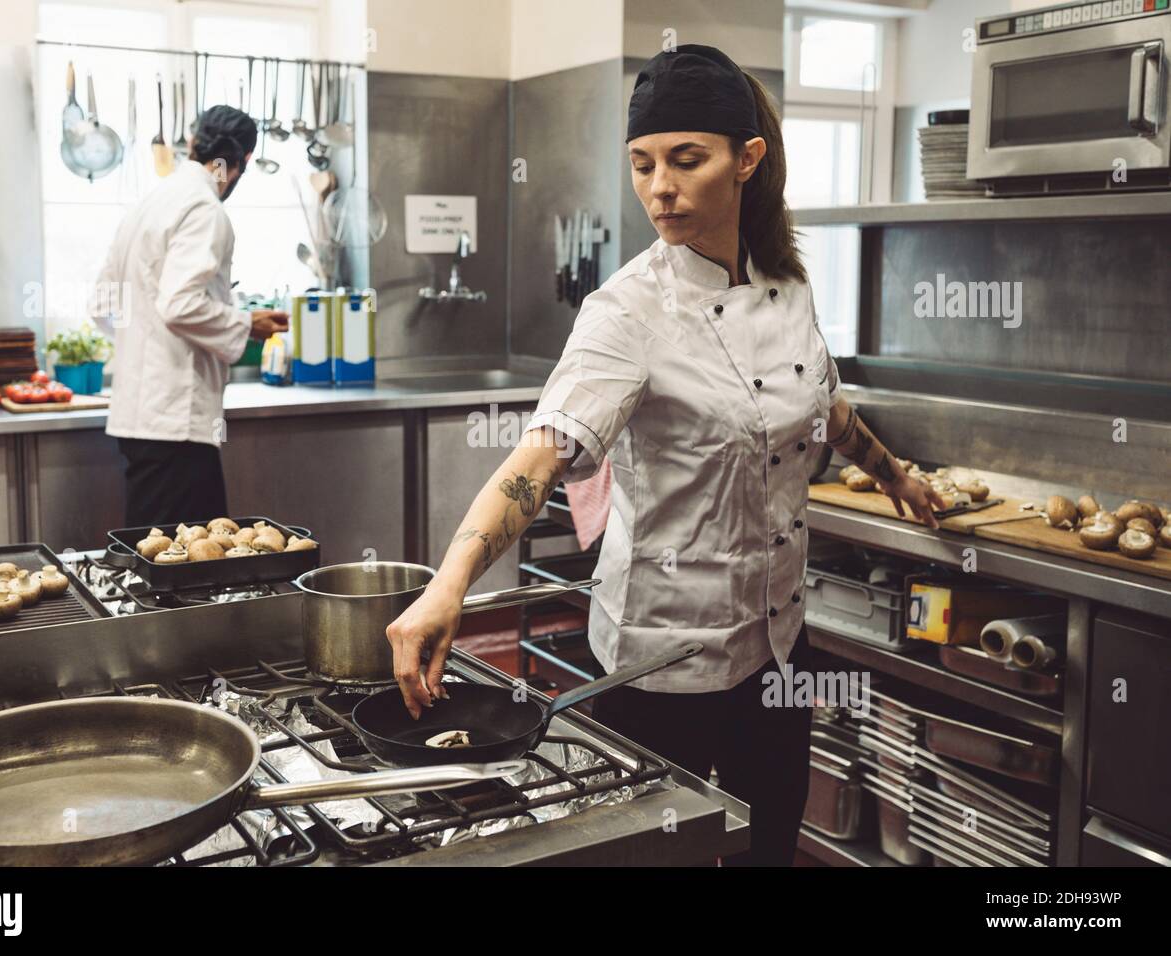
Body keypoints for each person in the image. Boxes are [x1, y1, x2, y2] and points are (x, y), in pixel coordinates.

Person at [384, 44, 943, 866]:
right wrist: (449, 585)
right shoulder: (627, 310)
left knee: (769, 845)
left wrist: (894, 474)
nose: (659, 189)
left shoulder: (788, 286)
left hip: (778, 648)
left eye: (687, 161)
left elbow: (823, 403)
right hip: (660, 660)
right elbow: (538, 458)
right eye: (643, 164)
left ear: (747, 159)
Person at [92, 105, 289, 526]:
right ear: (242, 162)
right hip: (176, 423)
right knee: (191, 568)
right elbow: (180, 305)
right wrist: (246, 324)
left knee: (153, 560)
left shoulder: (150, 203)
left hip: (140, 416)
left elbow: (101, 304)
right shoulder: (204, 209)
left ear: (194, 143)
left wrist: (145, 349)